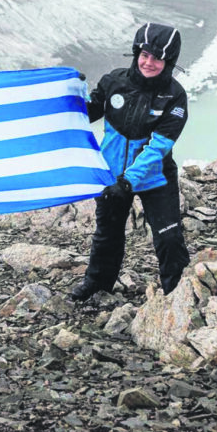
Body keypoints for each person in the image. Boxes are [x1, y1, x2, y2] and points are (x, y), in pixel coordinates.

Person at [70, 22, 191, 302]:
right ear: (136, 53)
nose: (149, 63)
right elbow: (86, 113)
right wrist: (74, 90)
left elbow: (158, 147)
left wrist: (127, 182)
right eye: (144, 55)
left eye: (157, 58)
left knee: (169, 236)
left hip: (155, 177)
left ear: (169, 61)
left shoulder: (175, 97)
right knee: (107, 235)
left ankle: (177, 295)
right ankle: (97, 285)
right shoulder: (114, 81)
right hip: (113, 173)